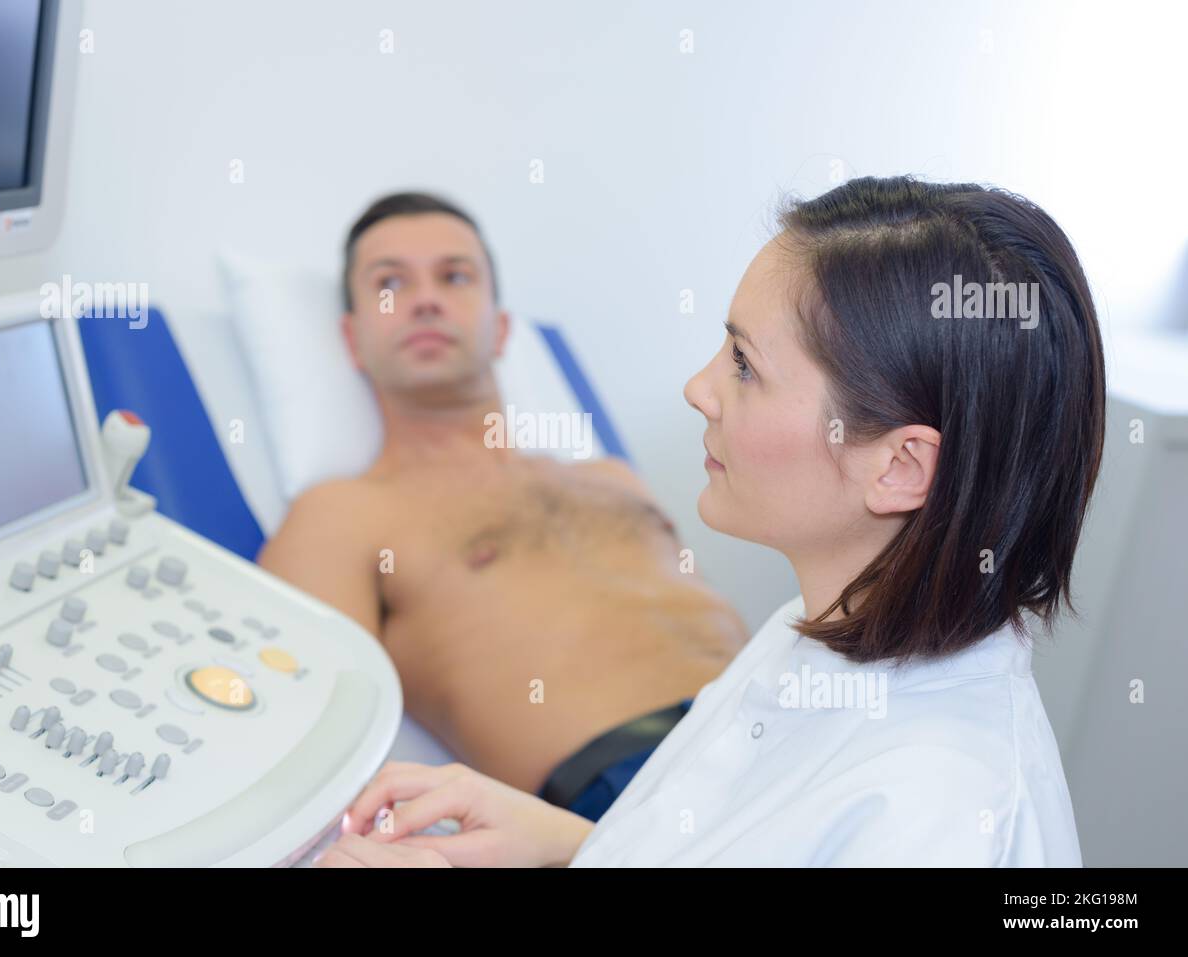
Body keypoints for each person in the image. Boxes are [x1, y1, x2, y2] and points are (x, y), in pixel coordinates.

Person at [316, 175, 1103, 867]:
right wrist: (569, 841)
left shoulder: (939, 815)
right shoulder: (811, 632)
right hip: (615, 786)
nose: (697, 388)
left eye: (743, 364)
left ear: (897, 467)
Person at [258, 193, 750, 822]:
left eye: (455, 276)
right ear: (352, 341)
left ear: (501, 328)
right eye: (390, 283)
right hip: (634, 795)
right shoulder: (343, 516)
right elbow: (297, 743)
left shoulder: (612, 479)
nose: (425, 299)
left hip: (791, 717)